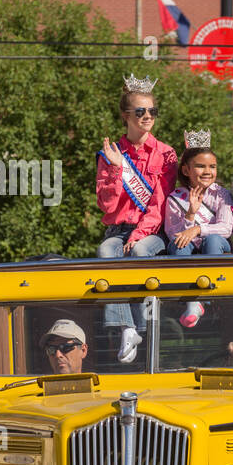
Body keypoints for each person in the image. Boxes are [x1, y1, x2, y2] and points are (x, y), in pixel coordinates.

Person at [96, 74, 178, 362]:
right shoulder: (111, 153)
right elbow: (107, 206)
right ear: (125, 115)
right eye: (140, 111)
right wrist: (118, 169)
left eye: (152, 111)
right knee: (107, 250)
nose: (147, 117)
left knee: (141, 251)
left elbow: (160, 203)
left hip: (151, 232)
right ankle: (128, 328)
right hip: (117, 231)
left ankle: (141, 327)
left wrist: (139, 234)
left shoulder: (166, 154)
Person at [164, 132, 233, 328]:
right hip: (188, 250)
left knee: (211, 240)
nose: (207, 171)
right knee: (178, 245)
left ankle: (210, 298)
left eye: (212, 167)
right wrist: (190, 215)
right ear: (186, 170)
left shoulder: (222, 195)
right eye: (200, 166)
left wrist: (196, 229)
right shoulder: (175, 198)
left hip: (215, 247)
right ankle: (192, 301)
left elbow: (226, 228)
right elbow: (173, 233)